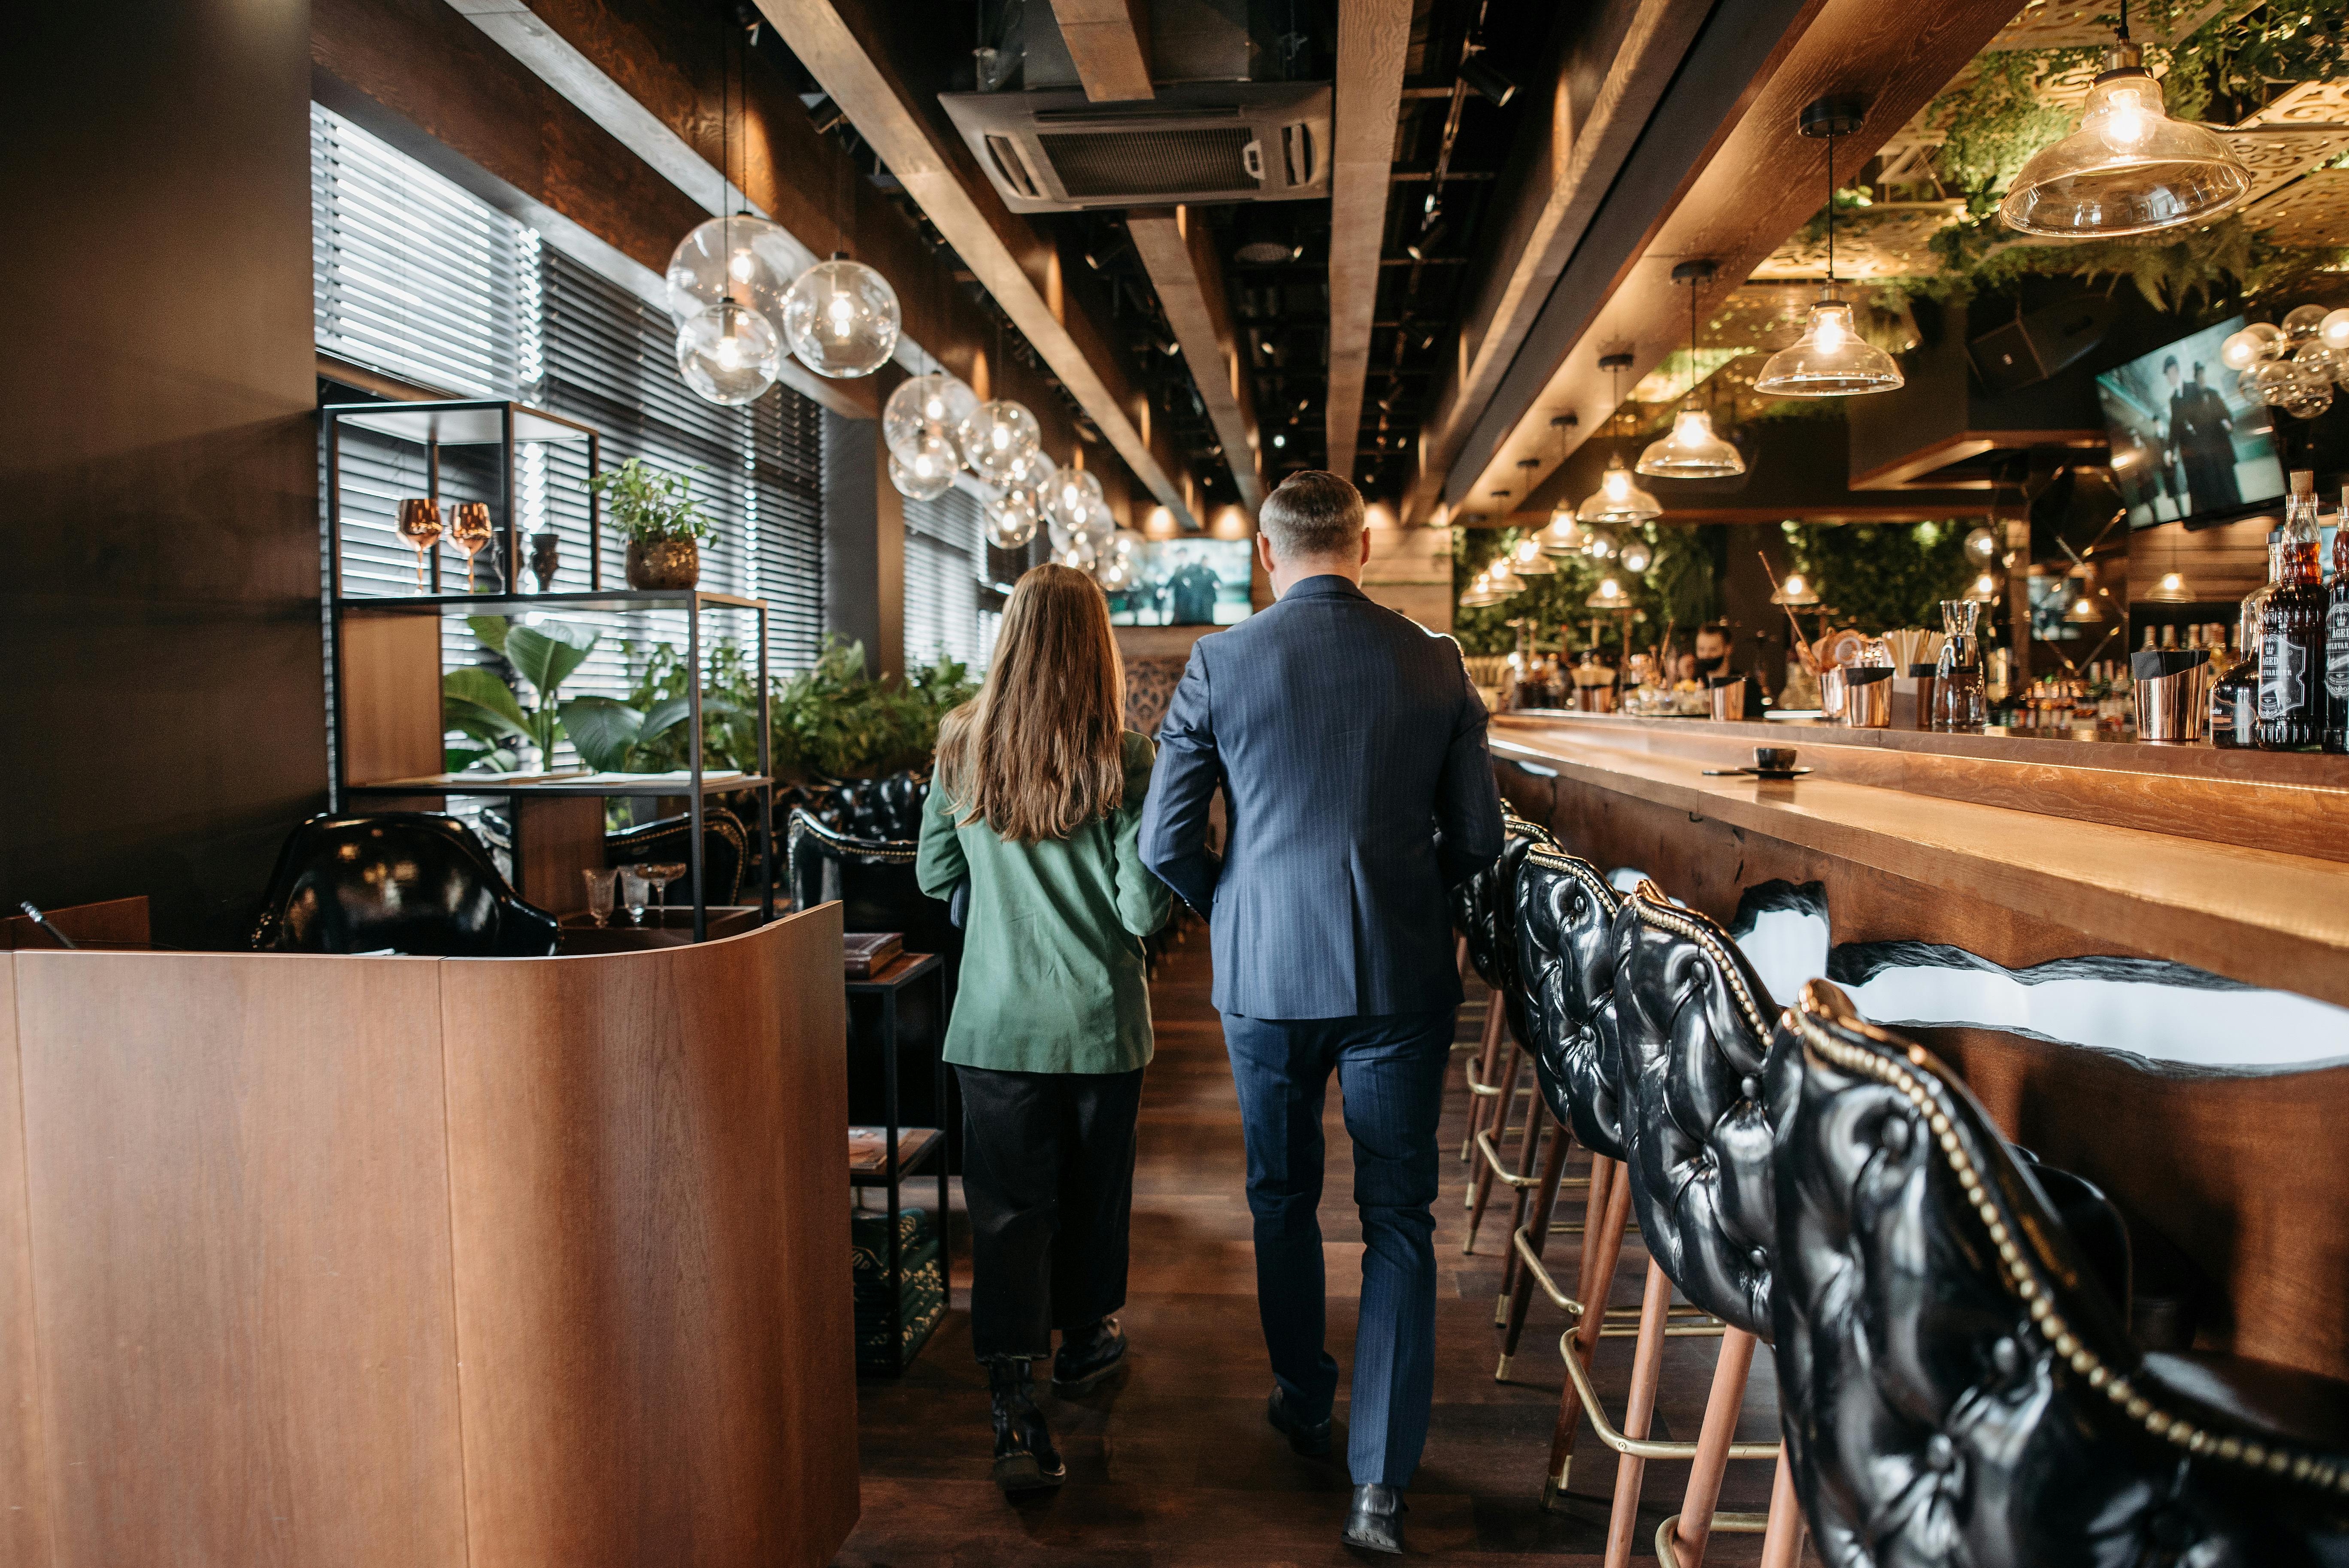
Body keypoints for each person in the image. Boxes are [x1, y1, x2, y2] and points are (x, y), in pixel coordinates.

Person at [1140, 470, 1504, 1554]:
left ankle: (1303, 1399)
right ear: (1362, 548)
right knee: (1397, 1216)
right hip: (1397, 979)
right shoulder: (1432, 662)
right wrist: (1405, 898)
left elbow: (1164, 844)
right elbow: (1478, 846)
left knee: (1280, 1194)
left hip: (1263, 977)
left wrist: (1235, 910)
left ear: (1265, 552)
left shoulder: (1220, 661)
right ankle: (1379, 1488)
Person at [915, 562, 1173, 1495]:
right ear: (1095, 646)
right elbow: (1140, 910)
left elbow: (933, 878)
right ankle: (1084, 1346)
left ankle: (1011, 1407)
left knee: (1008, 1211)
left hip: (991, 1028)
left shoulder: (958, 746)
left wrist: (997, 906)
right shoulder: (1126, 757)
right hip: (1100, 1028)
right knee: (1093, 1197)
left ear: (1010, 637)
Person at [1694, 622, 1766, 714]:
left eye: (1713, 649)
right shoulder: (1694, 685)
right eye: (1701, 649)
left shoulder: (1747, 686)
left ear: (1728, 648)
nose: (1706, 655)